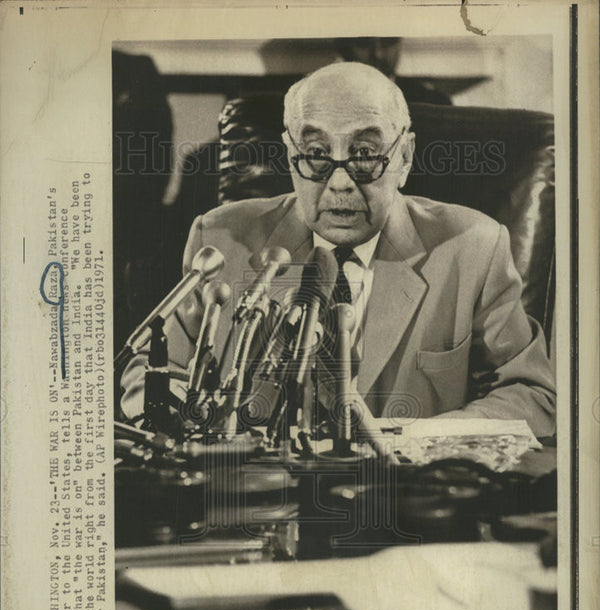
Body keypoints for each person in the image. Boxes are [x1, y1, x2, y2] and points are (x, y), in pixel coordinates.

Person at [121, 61, 556, 437]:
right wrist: (186, 419)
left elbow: (532, 395)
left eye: (365, 152)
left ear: (404, 157)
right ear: (290, 156)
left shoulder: (473, 248)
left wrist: (424, 437)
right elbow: (151, 376)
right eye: (316, 153)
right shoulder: (219, 239)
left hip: (404, 504)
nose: (341, 181)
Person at [334, 37, 452, 105]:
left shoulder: (433, 102)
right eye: (365, 43)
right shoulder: (327, 101)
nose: (378, 54)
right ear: (345, 49)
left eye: (388, 42)